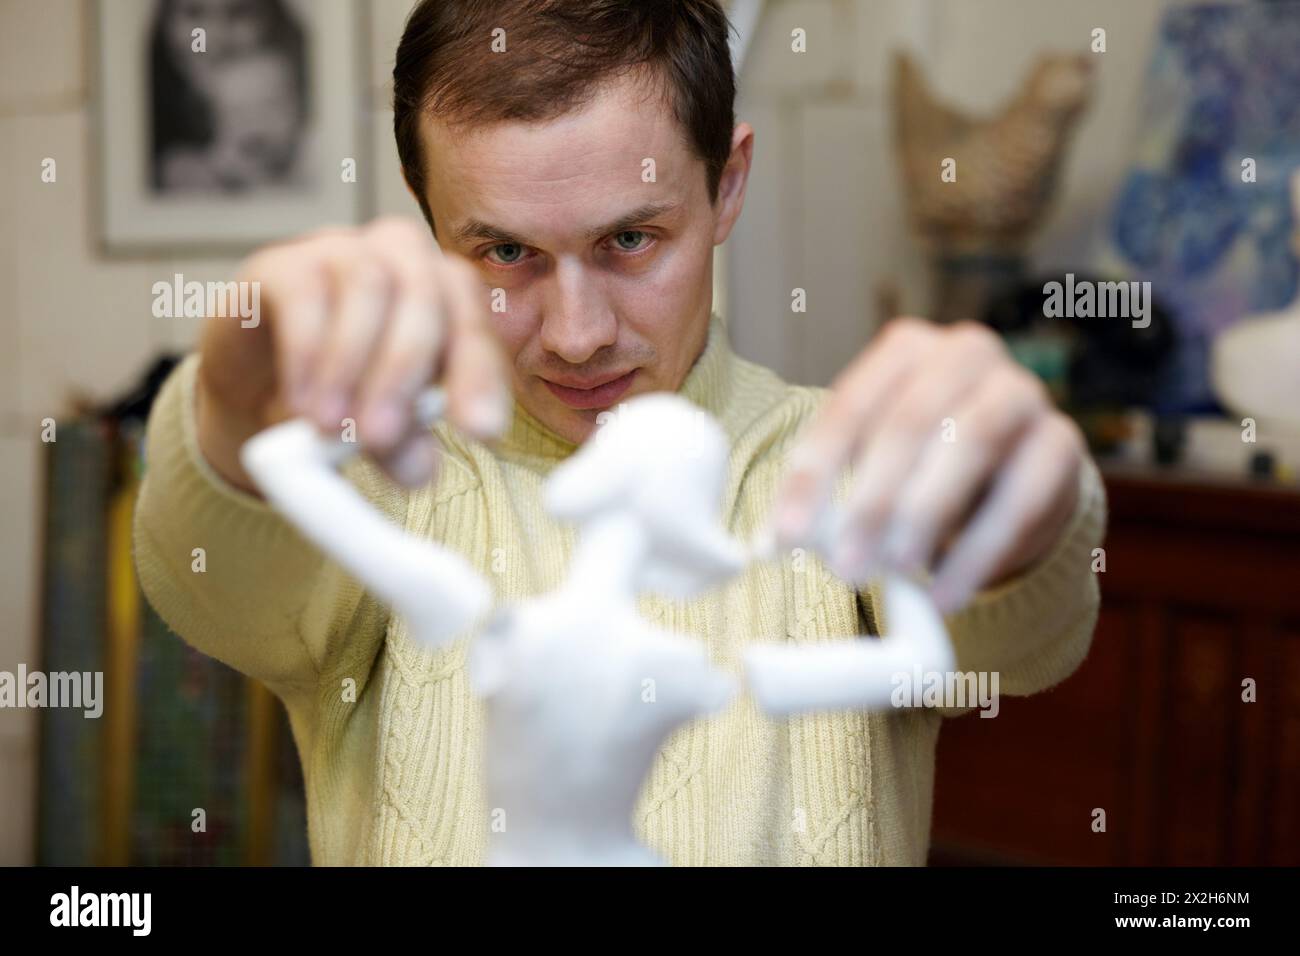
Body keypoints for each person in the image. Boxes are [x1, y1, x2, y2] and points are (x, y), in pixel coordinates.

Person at [134, 0, 1106, 866]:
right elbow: (211, 583)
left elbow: (1017, 643)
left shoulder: (846, 466)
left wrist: (1020, 503)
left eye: (630, 240)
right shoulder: (386, 476)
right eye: (504, 251)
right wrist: (227, 406)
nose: (577, 333)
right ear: (426, 209)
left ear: (727, 183)